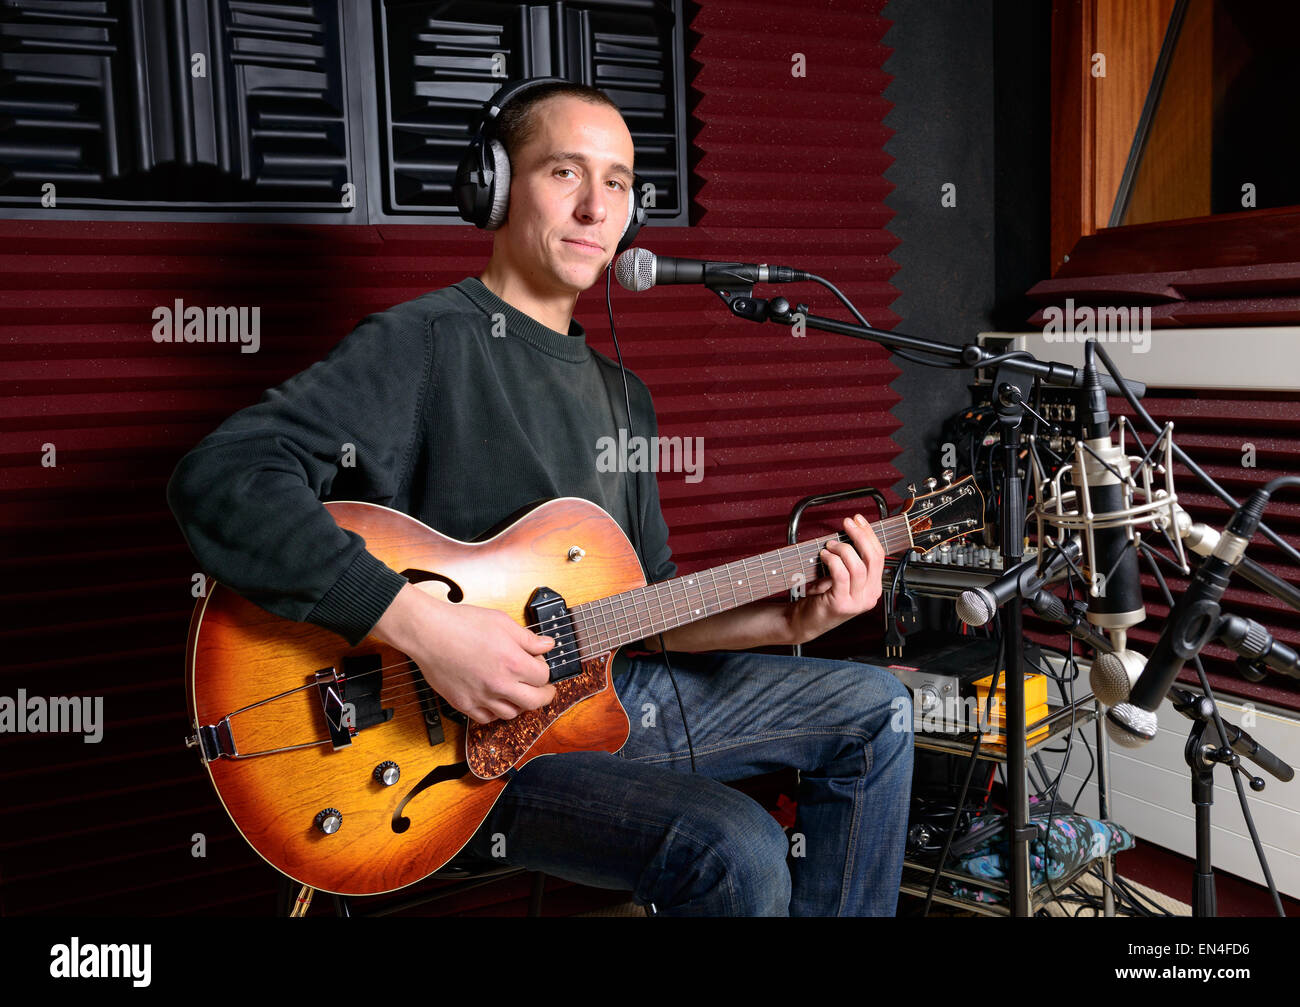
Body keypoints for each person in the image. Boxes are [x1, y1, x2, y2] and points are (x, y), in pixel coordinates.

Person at [167, 78, 913, 916]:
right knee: (736, 844)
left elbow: (649, 605)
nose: (597, 208)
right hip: (459, 747)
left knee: (878, 706)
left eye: (620, 183)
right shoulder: (421, 345)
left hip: (606, 699)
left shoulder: (625, 397)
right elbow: (221, 478)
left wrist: (794, 620)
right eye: (565, 173)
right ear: (491, 187)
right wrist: (423, 625)